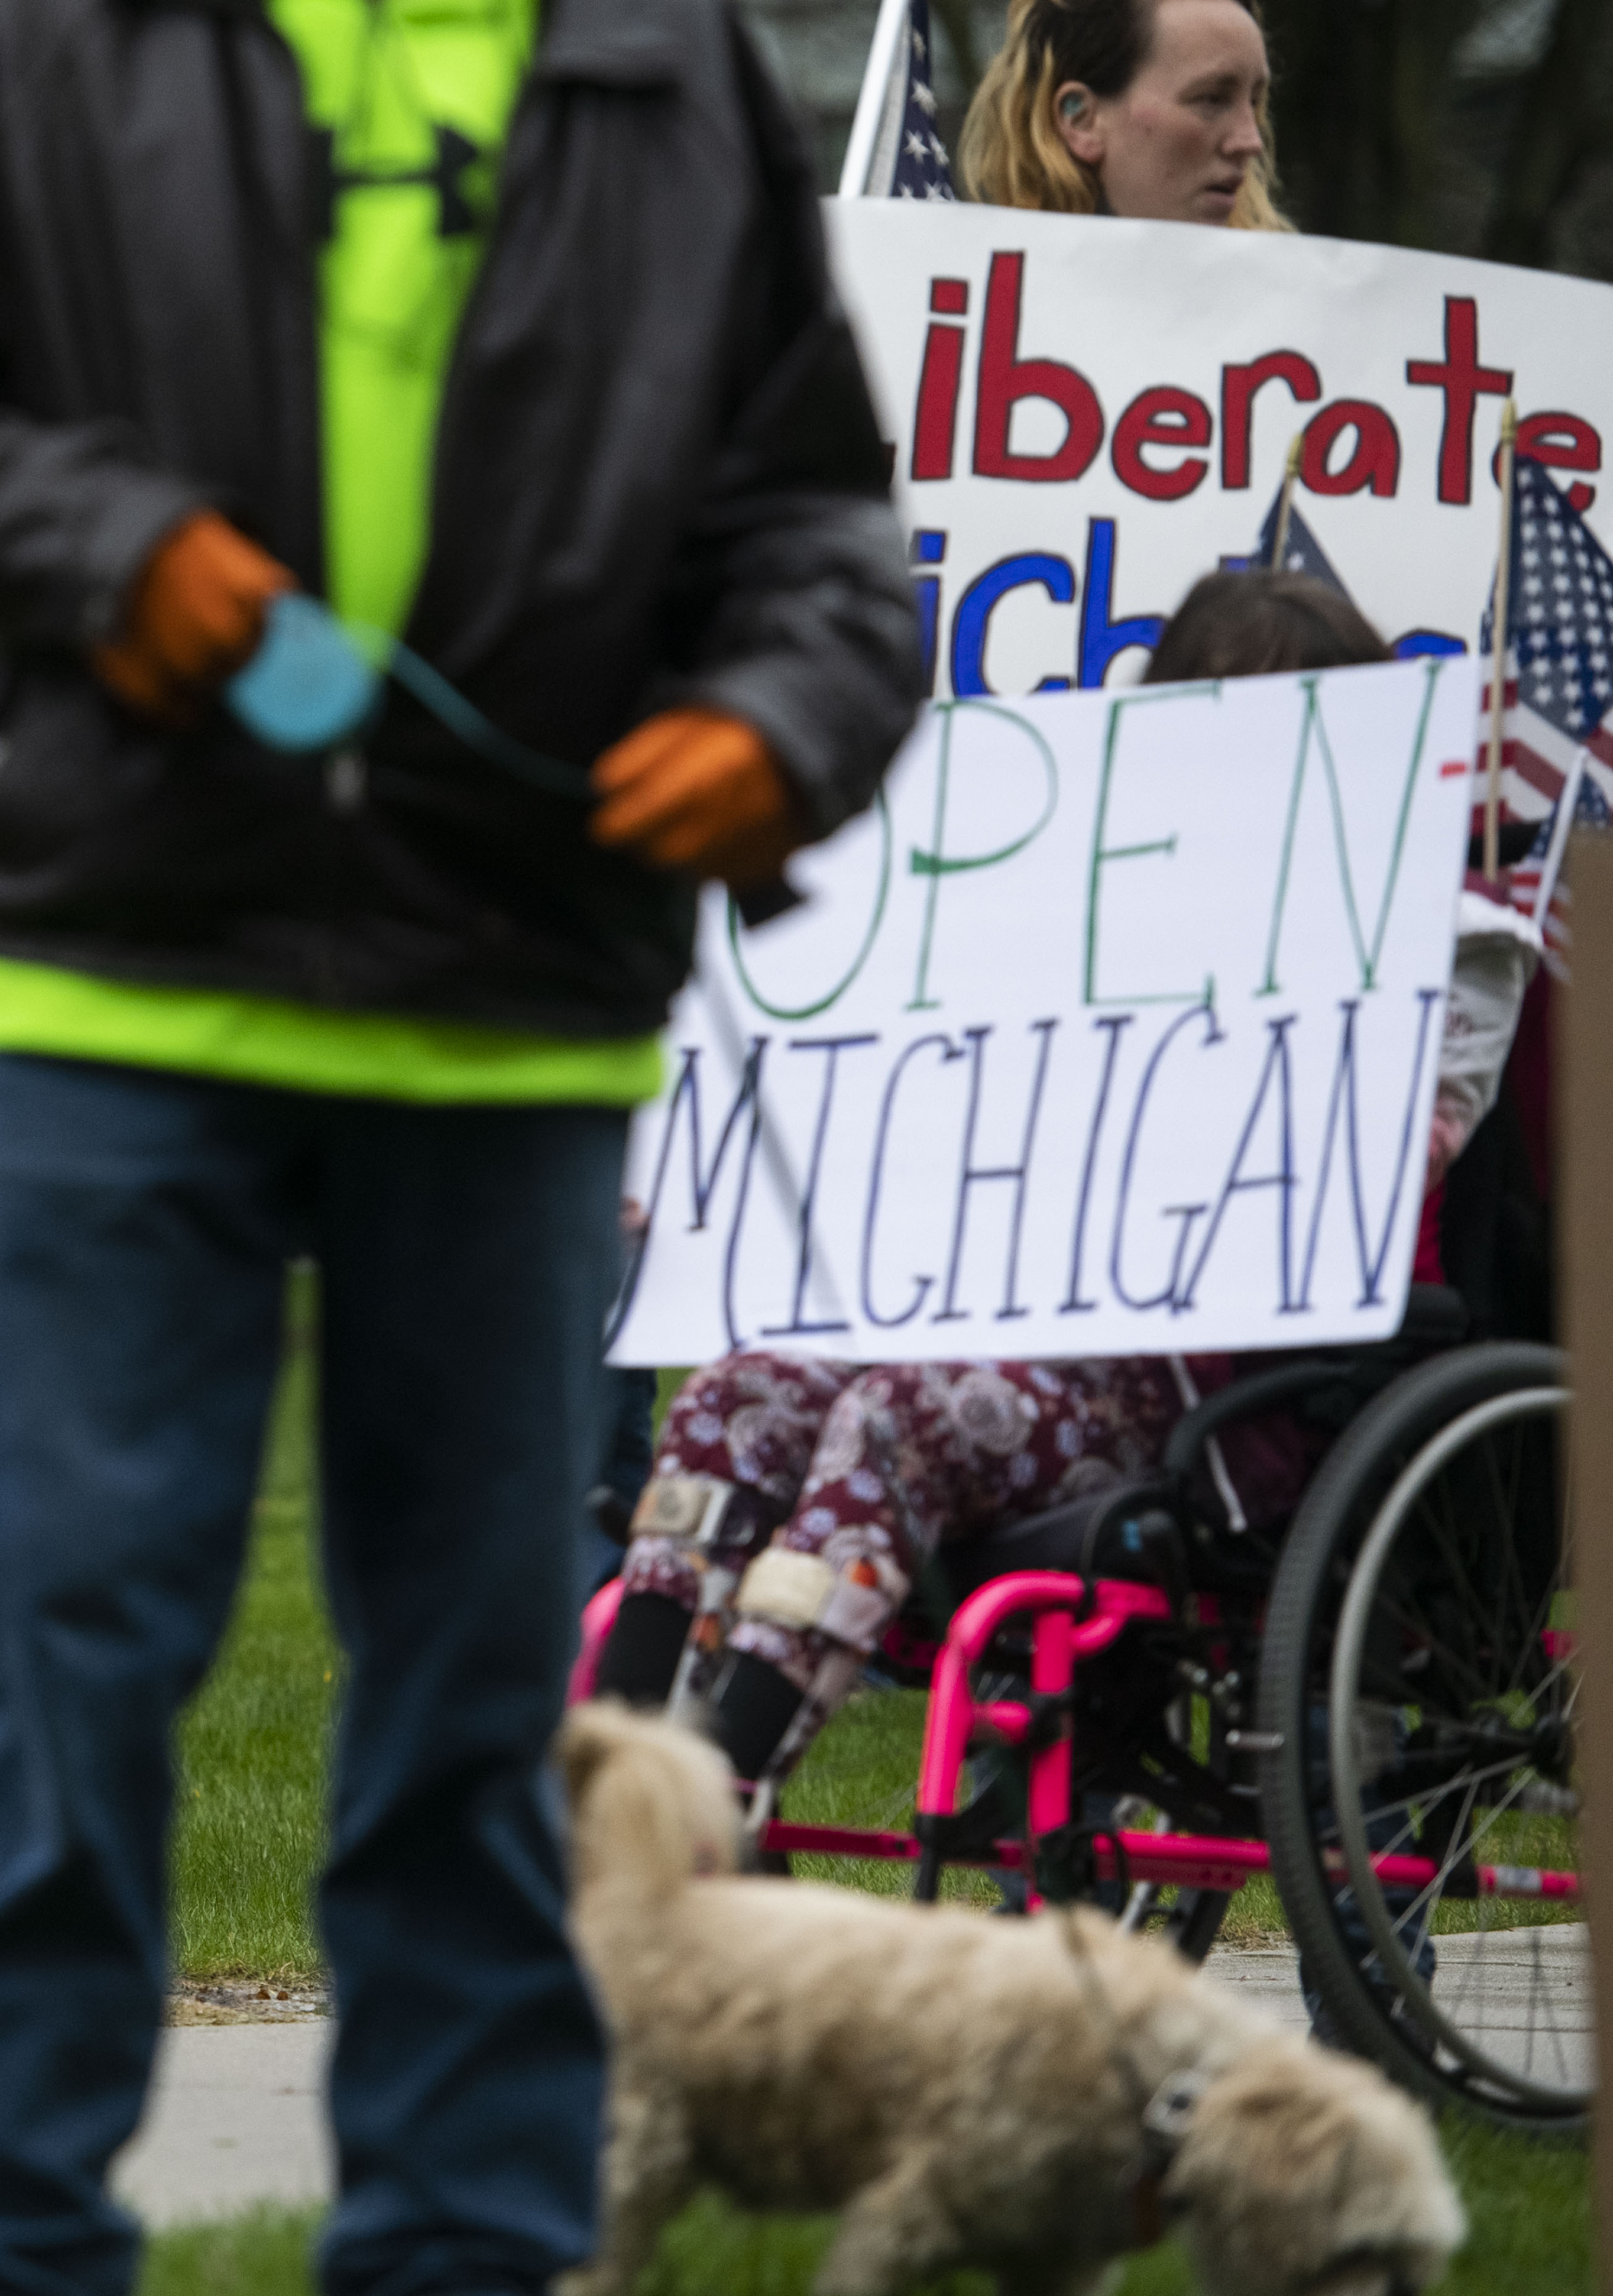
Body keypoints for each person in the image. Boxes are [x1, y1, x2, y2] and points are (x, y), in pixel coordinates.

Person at [0, 1, 922, 2296]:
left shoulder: (665, 68)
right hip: (121, 984)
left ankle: (461, 2271)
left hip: (505, 1018)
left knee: (477, 1701)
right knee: (67, 1660)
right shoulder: (38, 39)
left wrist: (773, 722)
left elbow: (814, 532)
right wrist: (109, 550)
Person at [592, 572, 1514, 1792]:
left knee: (897, 1418)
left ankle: (711, 1794)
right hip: (995, 1330)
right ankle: (602, 1776)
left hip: (1218, 1393)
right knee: (734, 1394)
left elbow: (1387, 1160)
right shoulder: (1073, 902)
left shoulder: (1441, 942)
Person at [960, 0, 1287, 229]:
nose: (1251, 141)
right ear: (1082, 121)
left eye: (1255, 103)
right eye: (1212, 99)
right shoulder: (992, 315)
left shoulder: (1295, 310)